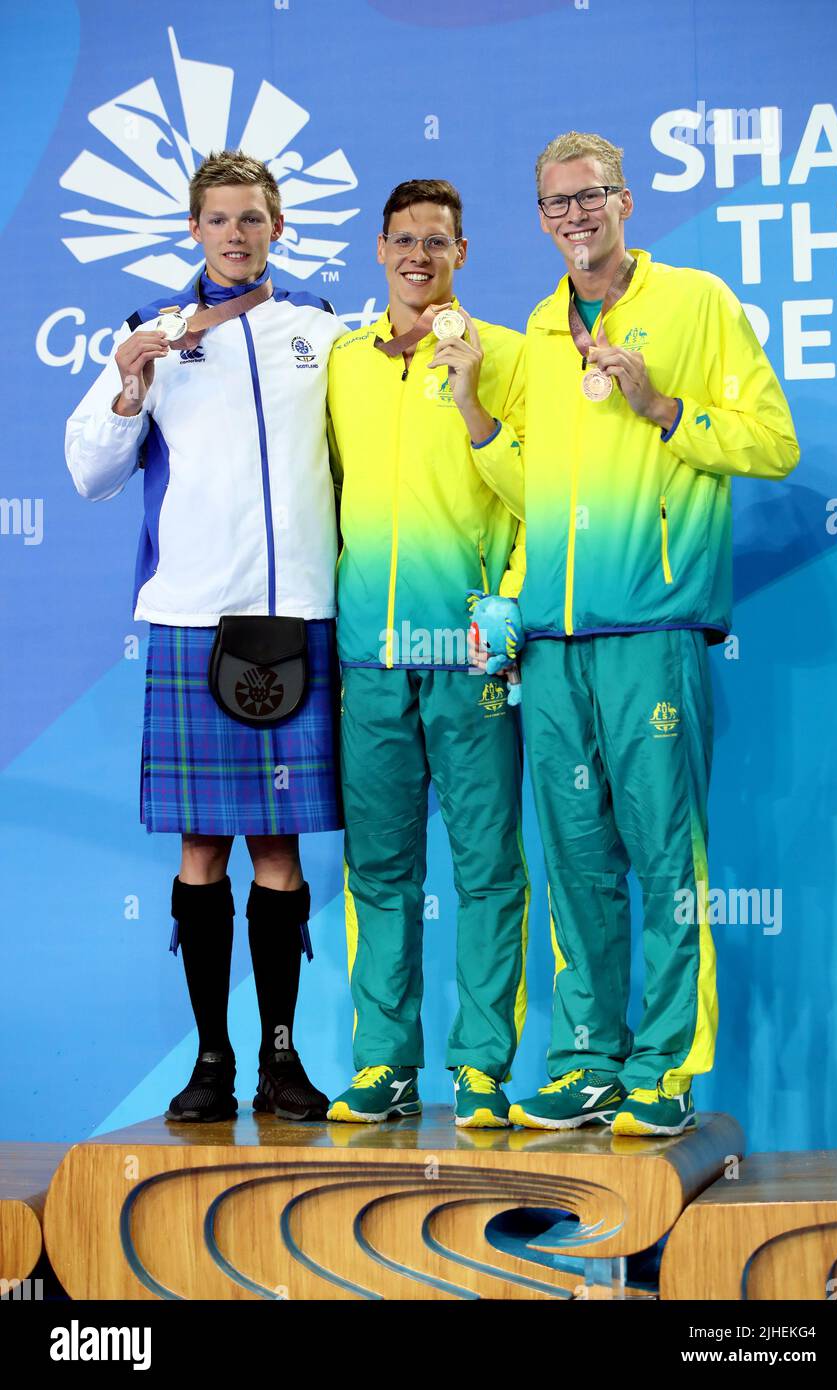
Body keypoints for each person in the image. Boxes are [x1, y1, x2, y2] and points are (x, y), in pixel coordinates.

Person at [508, 132, 799, 1135]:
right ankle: (587, 1056)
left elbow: (770, 440)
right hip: (551, 641)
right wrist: (509, 603)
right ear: (540, 220)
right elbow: (527, 499)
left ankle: (665, 1067)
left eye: (588, 197)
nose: (573, 217)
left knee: (667, 858)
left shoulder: (696, 303)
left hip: (653, 621)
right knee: (573, 855)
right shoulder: (540, 333)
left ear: (623, 200)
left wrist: (660, 406)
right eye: (554, 204)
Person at [65, 149, 346, 1124]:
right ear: (193, 230)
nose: (236, 233)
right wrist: (125, 385)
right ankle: (212, 1061)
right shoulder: (151, 335)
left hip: (298, 616)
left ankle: (281, 1058)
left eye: (252, 218)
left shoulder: (322, 331)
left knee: (278, 853)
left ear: (278, 226)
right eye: (219, 219)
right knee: (200, 850)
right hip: (192, 620)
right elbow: (91, 475)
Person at [325, 179, 530, 1128]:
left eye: (437, 241)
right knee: (379, 871)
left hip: (469, 653)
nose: (419, 255)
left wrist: (509, 605)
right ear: (379, 249)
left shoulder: (509, 357)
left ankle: (483, 1066)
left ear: (462, 251)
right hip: (370, 657)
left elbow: (537, 488)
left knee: (488, 866)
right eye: (404, 239)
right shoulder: (341, 363)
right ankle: (384, 1064)